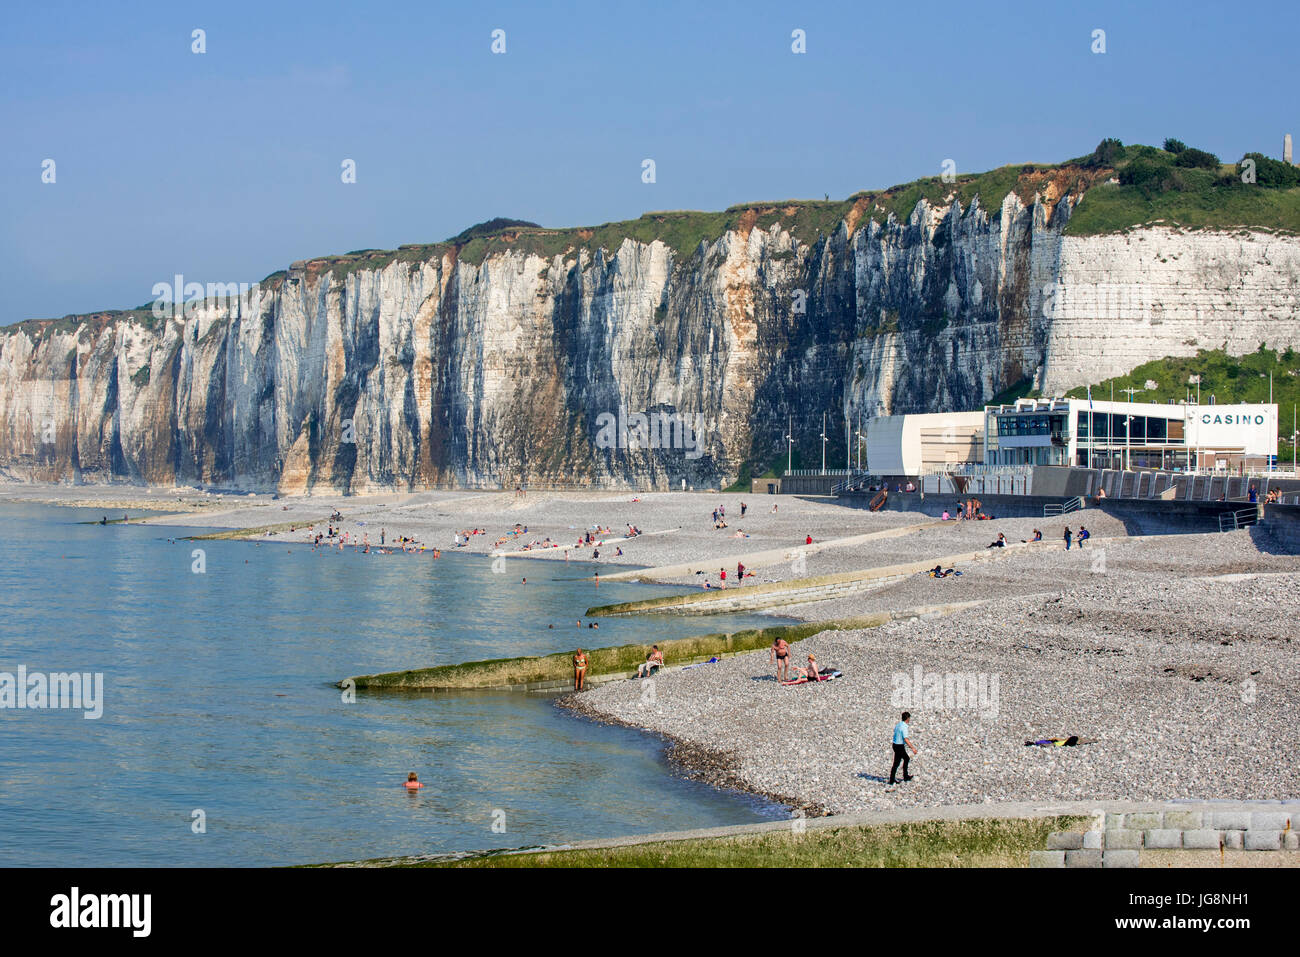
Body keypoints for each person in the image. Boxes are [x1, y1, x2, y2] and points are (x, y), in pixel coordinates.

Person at [889, 712, 917, 785]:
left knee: (897, 762)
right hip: (899, 746)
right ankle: (905, 776)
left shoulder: (898, 725)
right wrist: (913, 748)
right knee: (905, 759)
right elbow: (906, 739)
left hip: (895, 744)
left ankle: (892, 779)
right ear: (907, 718)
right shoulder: (904, 727)